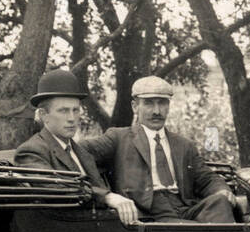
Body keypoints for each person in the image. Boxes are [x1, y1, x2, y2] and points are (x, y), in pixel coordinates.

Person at [81, 76, 236, 223]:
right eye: (148, 103)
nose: (156, 111)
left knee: (220, 202)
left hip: (184, 208)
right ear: (135, 106)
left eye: (162, 103)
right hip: (149, 212)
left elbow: (207, 178)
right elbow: (78, 151)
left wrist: (221, 190)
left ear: (168, 106)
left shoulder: (184, 144)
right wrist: (107, 195)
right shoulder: (118, 138)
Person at [15, 69, 140, 227]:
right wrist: (107, 197)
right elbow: (57, 189)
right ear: (43, 115)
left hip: (98, 227)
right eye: (63, 111)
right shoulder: (32, 151)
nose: (71, 118)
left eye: (75, 110)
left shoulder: (80, 151)